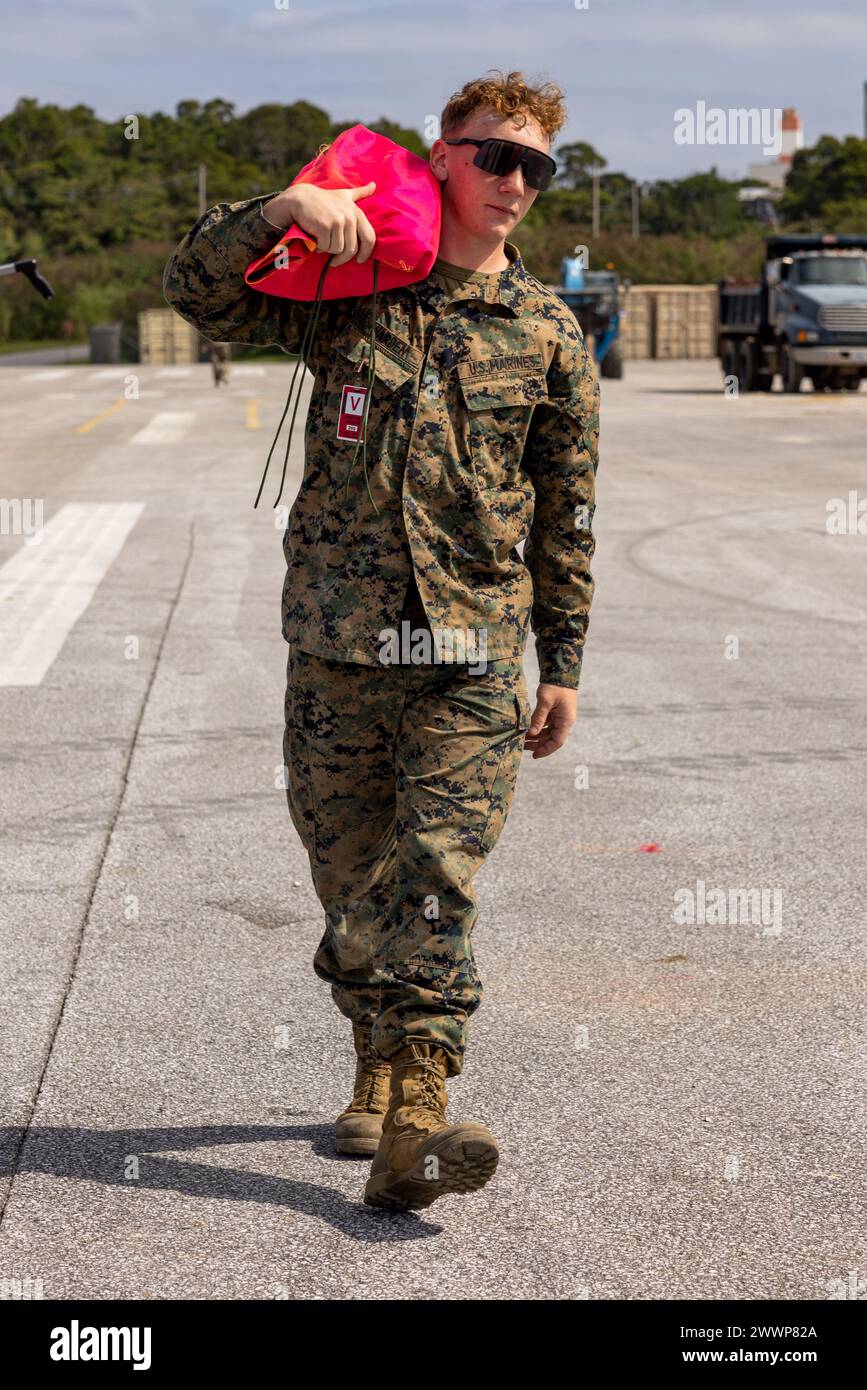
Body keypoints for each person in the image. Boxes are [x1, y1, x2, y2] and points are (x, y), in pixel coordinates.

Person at [163, 69, 599, 1212]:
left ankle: (418, 1113)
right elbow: (196, 294)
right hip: (340, 644)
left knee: (436, 876)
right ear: (443, 154)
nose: (517, 183)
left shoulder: (549, 332)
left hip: (470, 651)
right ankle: (375, 1055)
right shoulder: (353, 282)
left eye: (538, 167)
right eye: (496, 156)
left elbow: (569, 510)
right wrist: (282, 210)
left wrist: (566, 663)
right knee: (349, 875)